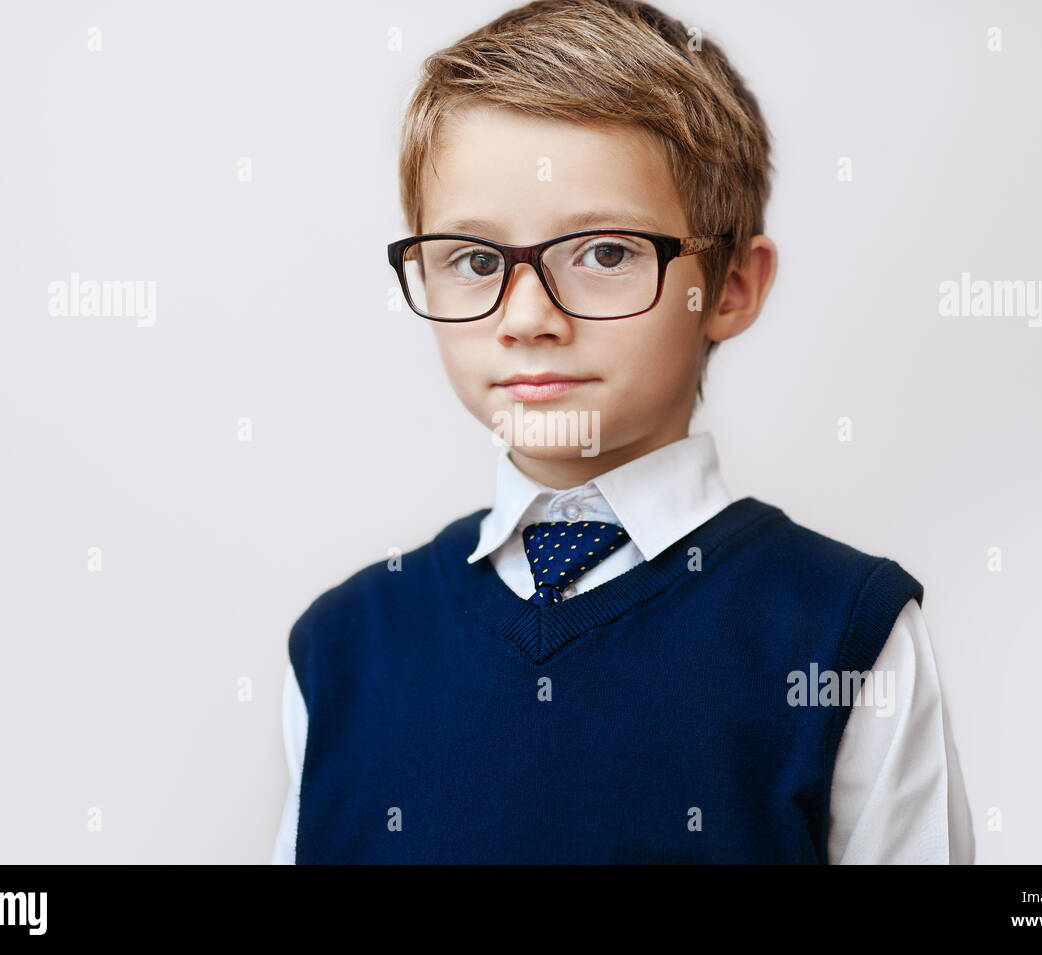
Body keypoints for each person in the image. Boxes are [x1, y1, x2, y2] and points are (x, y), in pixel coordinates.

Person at [273, 0, 973, 863]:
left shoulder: (843, 634)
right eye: (475, 259)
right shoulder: (343, 650)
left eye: (604, 252)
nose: (526, 317)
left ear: (730, 288)